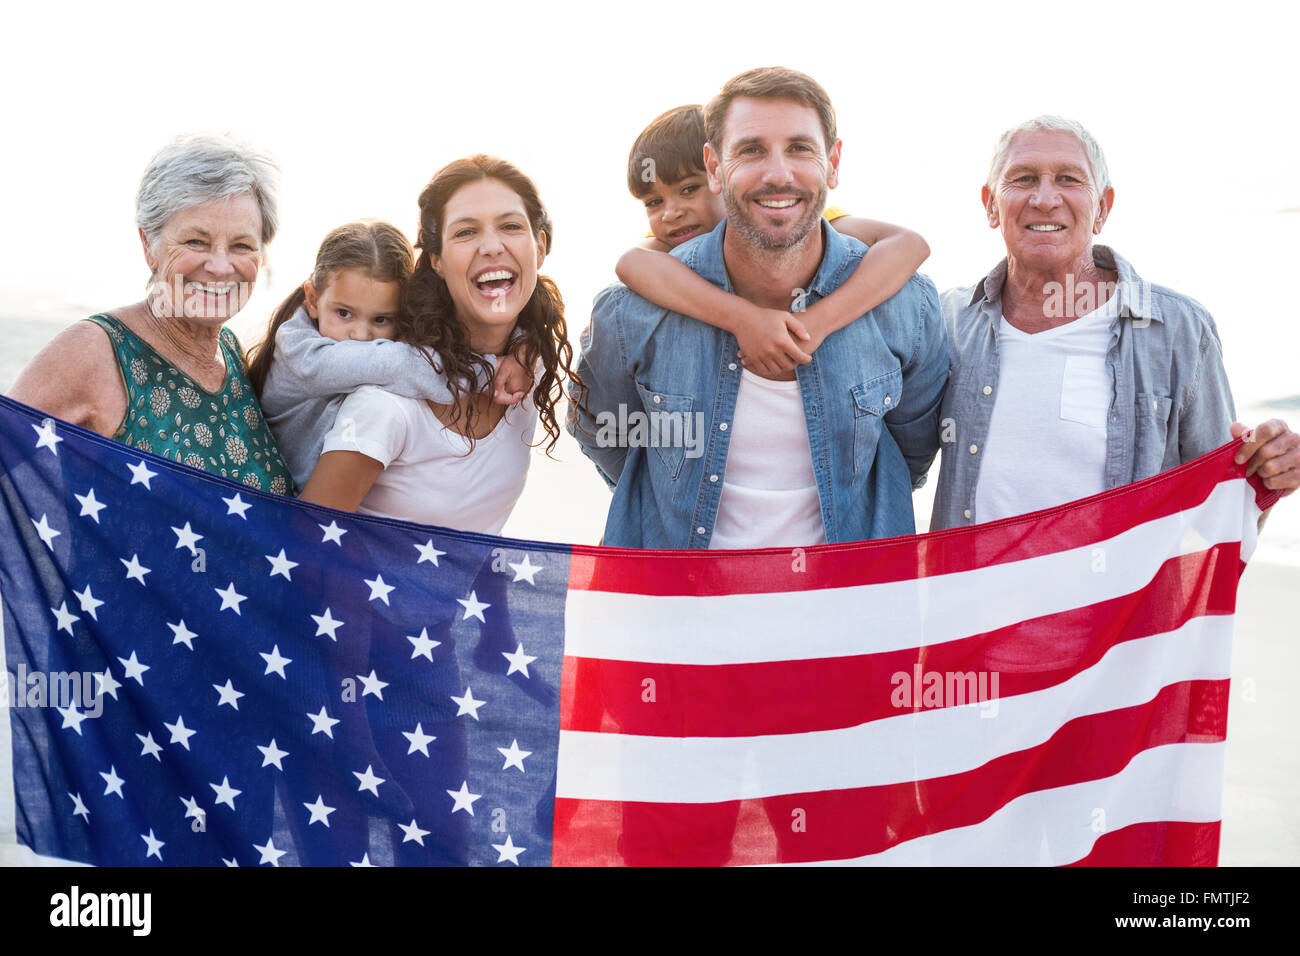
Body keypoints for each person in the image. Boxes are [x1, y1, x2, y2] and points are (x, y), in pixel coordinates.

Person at [568, 67, 949, 549]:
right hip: (678, 612)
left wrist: (816, 324)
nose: (777, 173)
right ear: (716, 167)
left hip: (851, 610)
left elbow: (912, 446)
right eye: (750, 149)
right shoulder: (637, 307)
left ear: (833, 162)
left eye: (799, 147)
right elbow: (603, 430)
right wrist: (665, 498)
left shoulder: (901, 302)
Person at [929, 115, 1299, 530]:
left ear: (1102, 208)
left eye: (1069, 179)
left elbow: (1223, 517)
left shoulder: (1178, 330)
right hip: (970, 594)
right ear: (990, 205)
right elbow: (891, 463)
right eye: (1024, 178)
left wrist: (1269, 474)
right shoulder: (947, 322)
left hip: (1119, 597)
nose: (1045, 198)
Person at [297, 155, 576, 533]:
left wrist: (528, 349)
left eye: (510, 226)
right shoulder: (385, 407)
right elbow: (302, 551)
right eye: (465, 232)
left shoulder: (533, 362)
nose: (492, 246)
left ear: (540, 247)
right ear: (437, 261)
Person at [7, 134, 295, 493]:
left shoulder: (232, 352)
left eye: (242, 245)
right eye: (195, 242)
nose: (221, 267)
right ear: (149, 245)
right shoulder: (95, 350)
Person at [616, 103, 931, 377]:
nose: (671, 214)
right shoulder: (671, 248)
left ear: (721, 175)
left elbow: (909, 244)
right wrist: (745, 320)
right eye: (653, 202)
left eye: (688, 190)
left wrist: (818, 321)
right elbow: (631, 263)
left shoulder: (802, 224)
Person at [248, 219, 533, 491]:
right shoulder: (300, 354)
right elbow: (396, 365)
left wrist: (522, 344)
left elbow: (456, 325)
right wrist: (489, 369)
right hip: (285, 512)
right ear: (312, 299)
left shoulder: (374, 338)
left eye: (381, 319)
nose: (361, 335)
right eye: (344, 313)